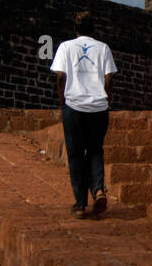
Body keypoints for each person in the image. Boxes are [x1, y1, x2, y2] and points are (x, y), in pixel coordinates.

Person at [50, 11, 117, 218]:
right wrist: (105, 99)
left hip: (74, 106)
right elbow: (108, 80)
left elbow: (60, 77)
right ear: (93, 29)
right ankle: (98, 190)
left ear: (75, 29)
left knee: (76, 153)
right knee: (95, 149)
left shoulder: (66, 47)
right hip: (98, 107)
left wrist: (62, 101)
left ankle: (80, 204)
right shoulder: (103, 48)